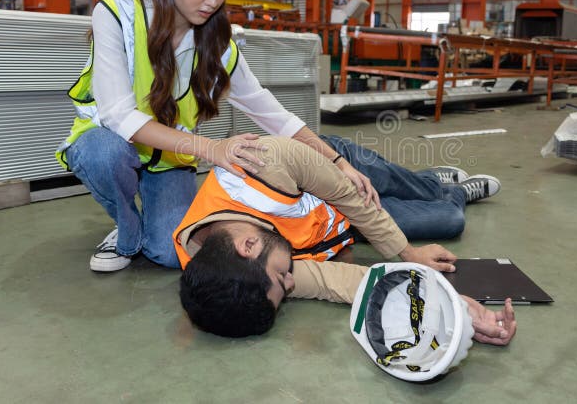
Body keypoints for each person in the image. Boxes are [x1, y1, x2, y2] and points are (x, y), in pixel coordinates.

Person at [54, 0, 375, 272]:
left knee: (171, 252)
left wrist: (336, 162)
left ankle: (146, 233)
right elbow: (119, 116)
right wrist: (213, 149)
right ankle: (126, 233)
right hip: (110, 144)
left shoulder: (217, 44)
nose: (213, 0)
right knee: (103, 153)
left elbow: (268, 110)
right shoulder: (116, 15)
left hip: (168, 161)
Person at [173, 136, 514, 343]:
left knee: (384, 180)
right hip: (340, 227)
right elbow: (341, 282)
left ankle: (433, 185)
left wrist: (408, 254)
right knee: (449, 219)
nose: (291, 282)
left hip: (336, 168)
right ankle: (452, 193)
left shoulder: (262, 163)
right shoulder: (236, 274)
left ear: (248, 246)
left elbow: (348, 195)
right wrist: (445, 307)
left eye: (282, 277)